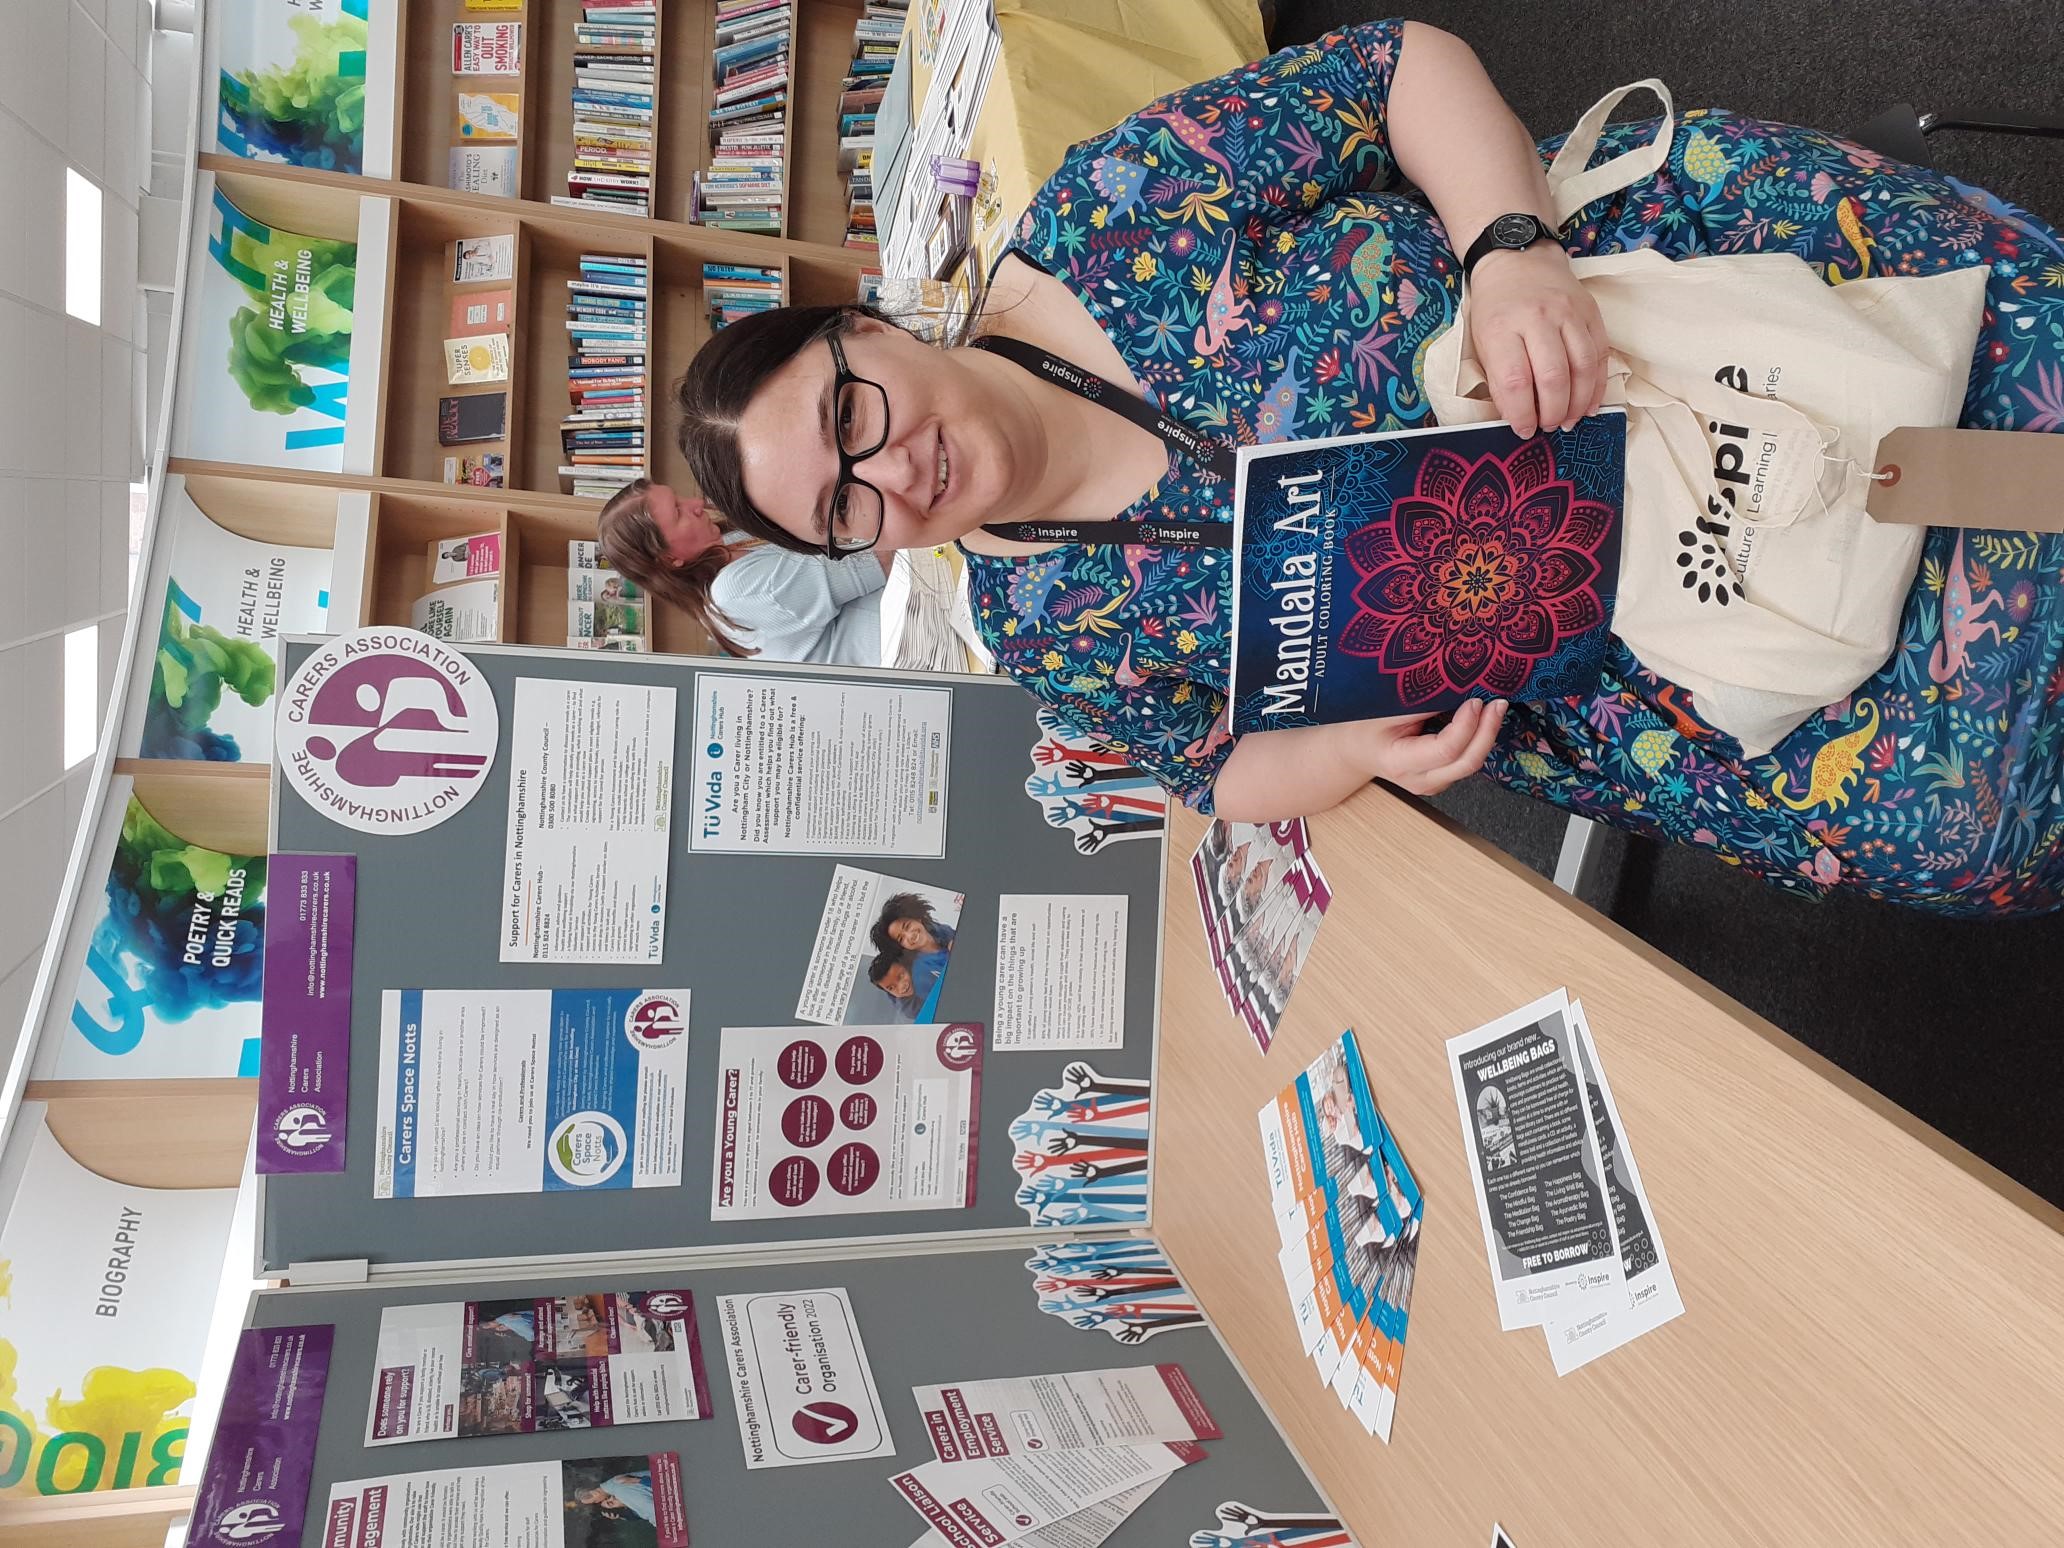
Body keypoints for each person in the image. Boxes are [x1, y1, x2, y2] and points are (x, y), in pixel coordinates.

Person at [672, 18, 2064, 916]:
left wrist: (1506, 248)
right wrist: (1341, 753)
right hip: (1639, 650)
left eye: (851, 415)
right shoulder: (1040, 618)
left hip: (1665, 343)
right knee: (1967, 820)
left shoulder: (1113, 217)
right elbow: (1211, 770)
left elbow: (1392, 71)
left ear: (868, 326)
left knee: (1995, 405)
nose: (892, 474)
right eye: (842, 508)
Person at [596, 478, 889, 662]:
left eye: (679, 498)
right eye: (678, 512)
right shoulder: (733, 592)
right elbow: (875, 561)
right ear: (669, 559)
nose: (696, 503)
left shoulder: (727, 542)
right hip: (911, 639)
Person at [869, 892, 958, 957]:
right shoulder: (921, 971)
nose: (910, 936)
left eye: (907, 926)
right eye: (901, 939)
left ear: (917, 918)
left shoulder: (940, 929)